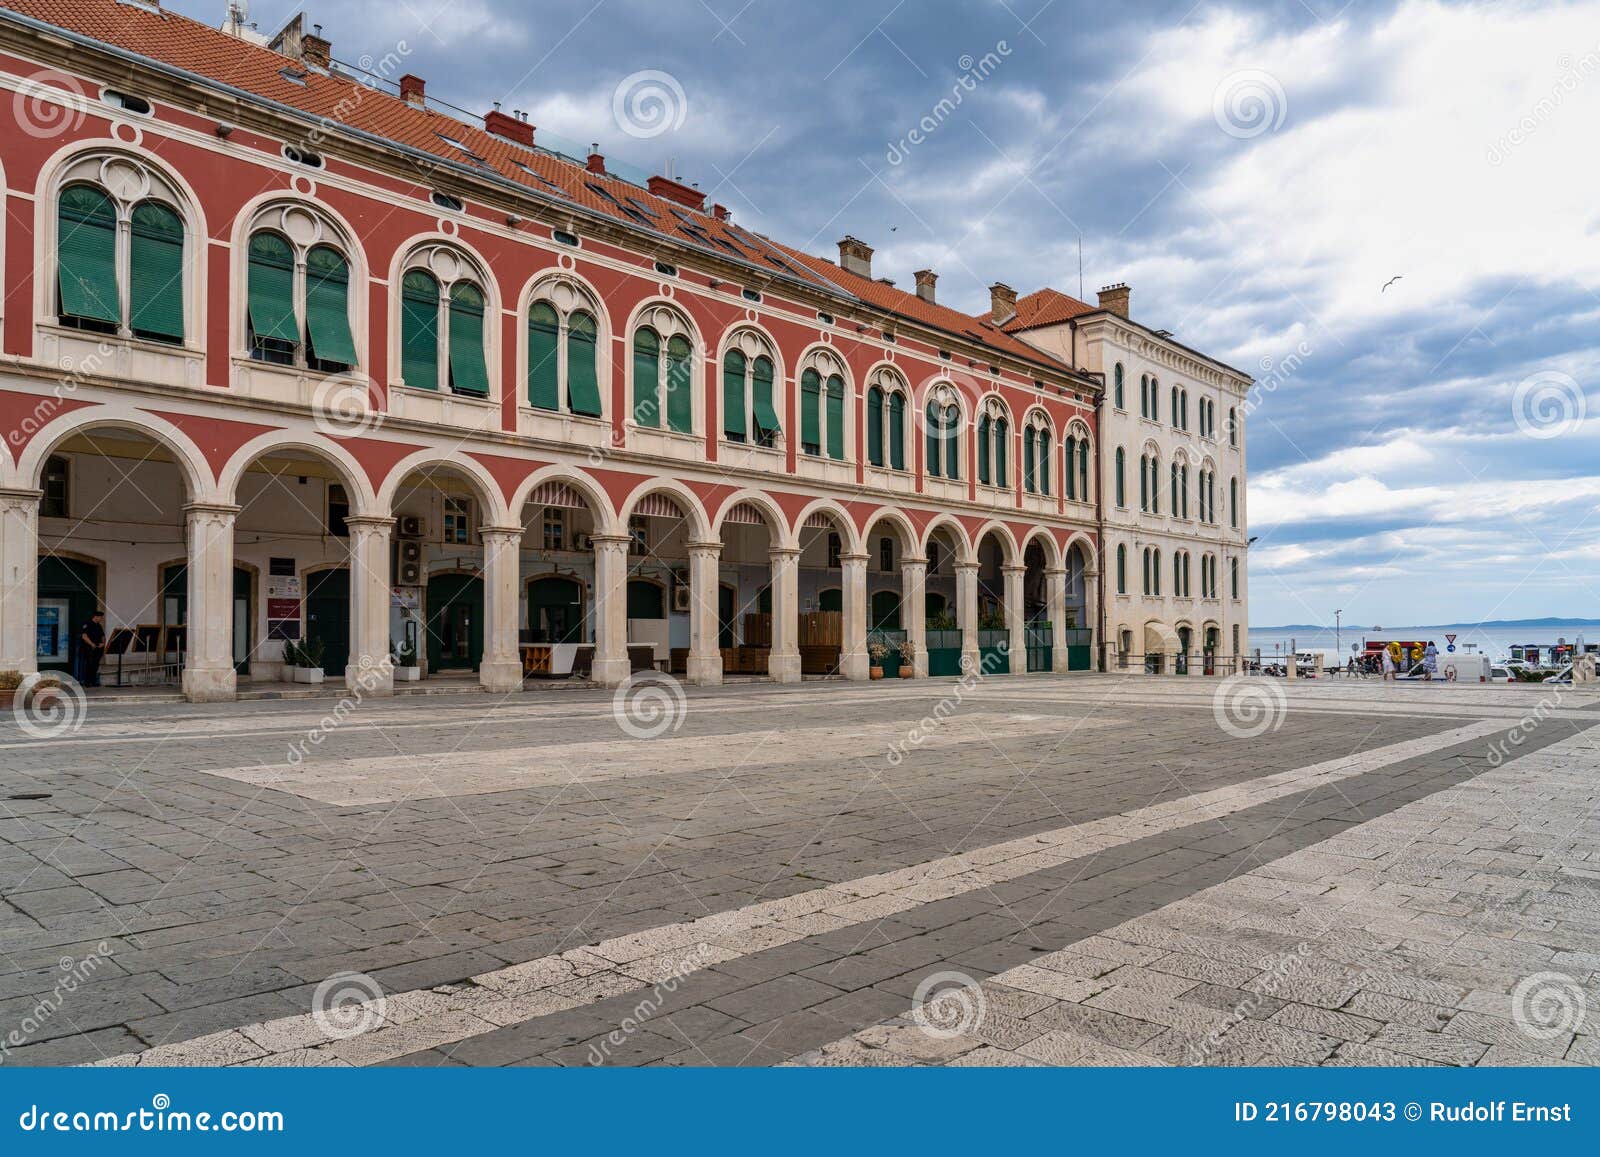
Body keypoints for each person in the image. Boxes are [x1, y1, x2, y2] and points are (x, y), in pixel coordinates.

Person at [74, 610, 106, 687]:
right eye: (101, 617)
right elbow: (84, 636)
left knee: (95, 665)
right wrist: (91, 644)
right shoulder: (87, 624)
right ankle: (87, 682)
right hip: (89, 648)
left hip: (98, 648)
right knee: (89, 665)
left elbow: (103, 636)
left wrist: (103, 643)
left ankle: (93, 681)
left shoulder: (99, 625)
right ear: (96, 617)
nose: (101, 619)